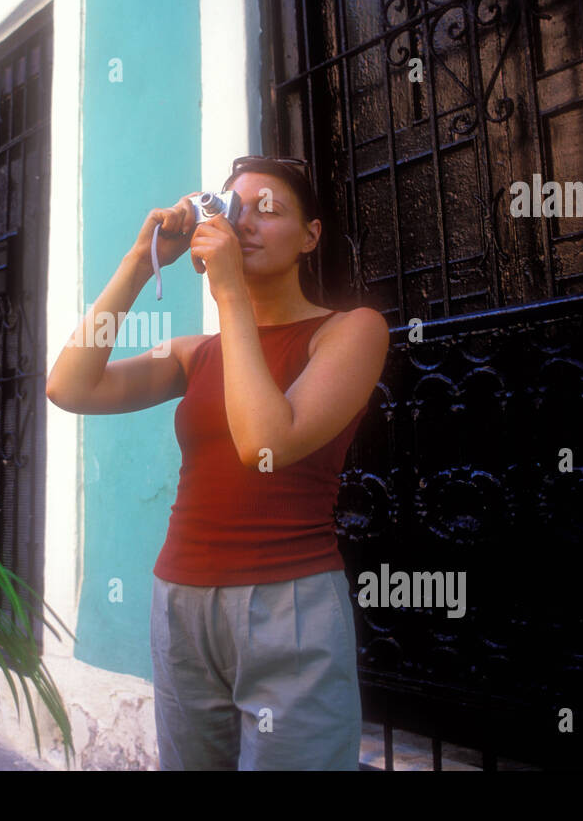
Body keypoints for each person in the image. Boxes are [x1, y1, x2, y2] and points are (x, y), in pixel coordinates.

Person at [45, 155, 390, 770]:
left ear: (311, 236)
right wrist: (137, 262)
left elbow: (265, 443)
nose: (246, 224)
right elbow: (69, 387)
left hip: (289, 605)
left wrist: (229, 289)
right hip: (179, 600)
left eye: (270, 209)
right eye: (235, 210)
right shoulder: (192, 353)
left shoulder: (351, 332)